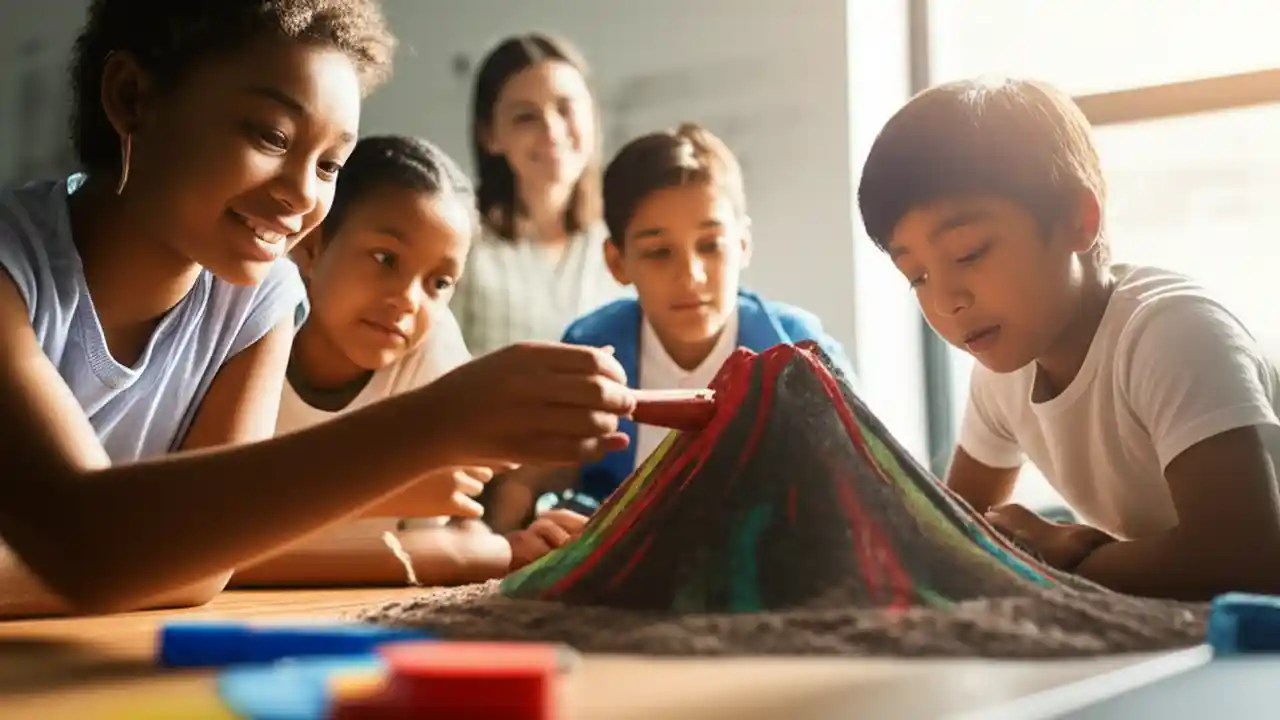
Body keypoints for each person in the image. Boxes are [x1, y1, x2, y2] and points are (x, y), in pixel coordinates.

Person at [0, 0, 632, 618]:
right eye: (272, 136)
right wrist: (437, 424)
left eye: (330, 164)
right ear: (132, 97)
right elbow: (87, 544)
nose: (303, 195)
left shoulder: (258, 297)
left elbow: (201, 568)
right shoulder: (14, 269)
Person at [857, 77, 1280, 599]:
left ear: (1079, 220)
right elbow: (956, 538)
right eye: (917, 276)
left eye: (969, 253)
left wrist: (1068, 558)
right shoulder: (1003, 371)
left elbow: (1247, 559)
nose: (945, 301)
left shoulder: (1173, 335)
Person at [230, 135, 589, 587]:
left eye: (439, 283)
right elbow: (207, 544)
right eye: (385, 259)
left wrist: (521, 546)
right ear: (311, 245)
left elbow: (454, 531)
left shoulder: (432, 352)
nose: (408, 300)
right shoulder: (245, 328)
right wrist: (385, 489)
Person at [486, 123, 854, 531]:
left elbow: (863, 491)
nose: (691, 275)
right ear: (617, 262)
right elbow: (524, 484)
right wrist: (517, 531)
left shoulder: (803, 353)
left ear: (743, 245)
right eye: (659, 252)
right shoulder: (590, 352)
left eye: (711, 245)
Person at [450, 33, 627, 357]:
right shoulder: (460, 243)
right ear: (489, 135)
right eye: (525, 117)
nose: (552, 131)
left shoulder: (628, 236)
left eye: (566, 108)